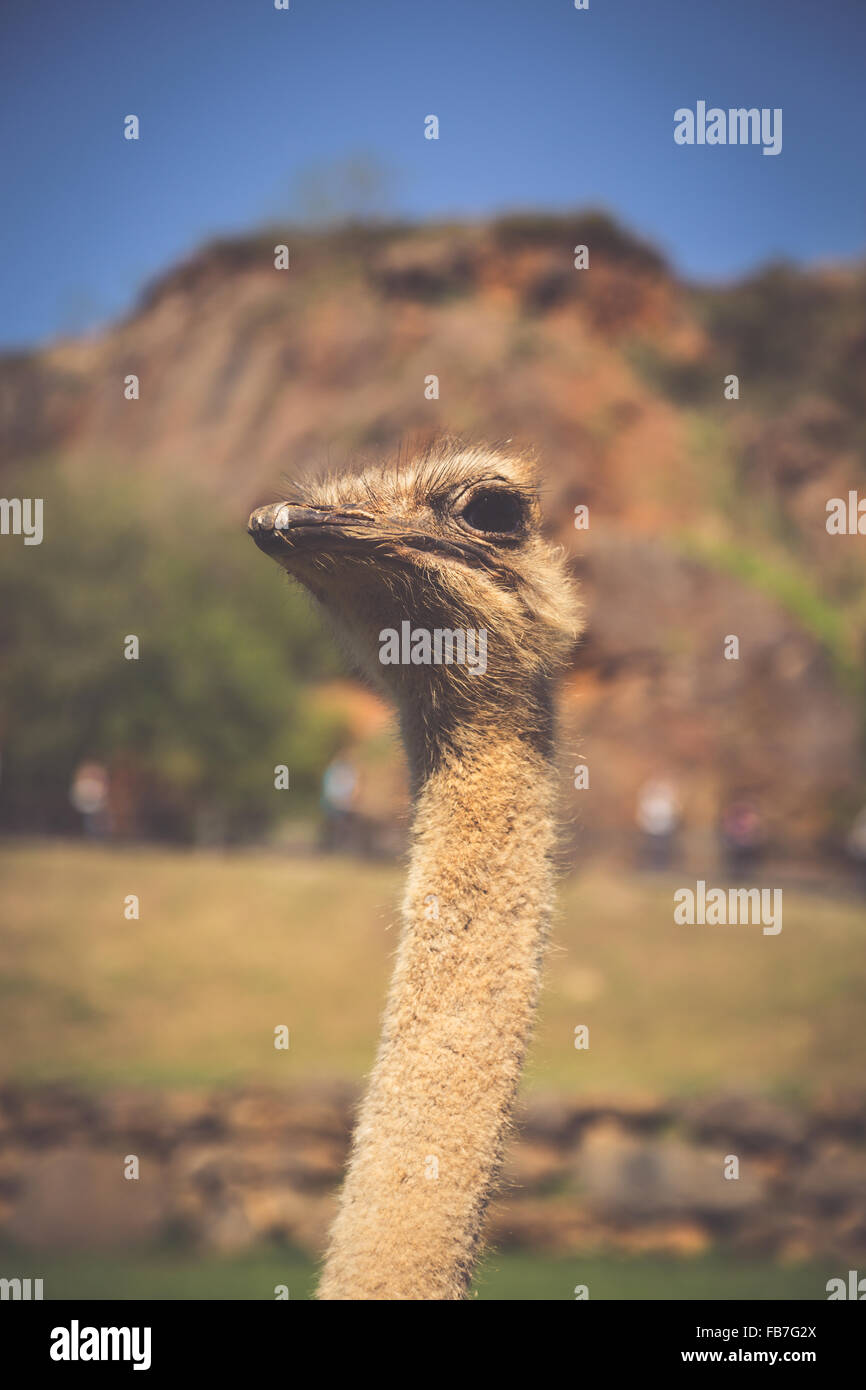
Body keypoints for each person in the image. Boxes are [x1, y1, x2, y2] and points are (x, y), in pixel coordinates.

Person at [635, 776, 680, 870]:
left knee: (664, 849)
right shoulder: (648, 798)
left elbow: (674, 810)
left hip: (665, 827)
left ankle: (663, 867)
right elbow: (644, 811)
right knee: (651, 848)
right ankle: (652, 866)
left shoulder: (668, 797)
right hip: (651, 828)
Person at [320, 754, 360, 853]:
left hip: (345, 805)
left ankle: (340, 846)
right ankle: (333, 846)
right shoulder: (333, 772)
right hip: (333, 805)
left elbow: (353, 790)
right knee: (335, 825)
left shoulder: (348, 773)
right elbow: (330, 792)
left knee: (343, 825)